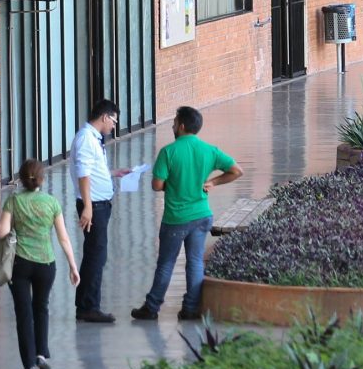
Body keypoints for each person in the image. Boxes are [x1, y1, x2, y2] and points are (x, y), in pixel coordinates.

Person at [130, 106, 241, 323]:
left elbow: (156, 184)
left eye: (174, 122)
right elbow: (237, 170)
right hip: (202, 216)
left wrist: (173, 185)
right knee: (195, 262)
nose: (172, 125)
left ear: (181, 126)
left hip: (176, 219)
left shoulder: (168, 152)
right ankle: (191, 309)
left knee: (166, 264)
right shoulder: (209, 150)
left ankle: (151, 308)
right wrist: (213, 182)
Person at [0, 158, 81, 369]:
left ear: (22, 180)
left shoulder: (13, 201)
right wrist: (73, 266)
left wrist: (14, 226)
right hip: (46, 264)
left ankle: (29, 363)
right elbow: (63, 238)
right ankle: (42, 353)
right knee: (41, 307)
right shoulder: (51, 202)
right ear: (41, 178)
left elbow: (1, 232)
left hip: (20, 264)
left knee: (23, 312)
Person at [72, 100, 129, 324]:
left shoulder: (94, 138)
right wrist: (87, 206)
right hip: (94, 205)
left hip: (98, 203)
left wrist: (113, 173)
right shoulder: (87, 139)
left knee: (96, 254)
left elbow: (93, 170)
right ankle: (89, 306)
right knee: (96, 255)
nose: (114, 125)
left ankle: (86, 303)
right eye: (114, 121)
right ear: (105, 117)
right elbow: (83, 174)